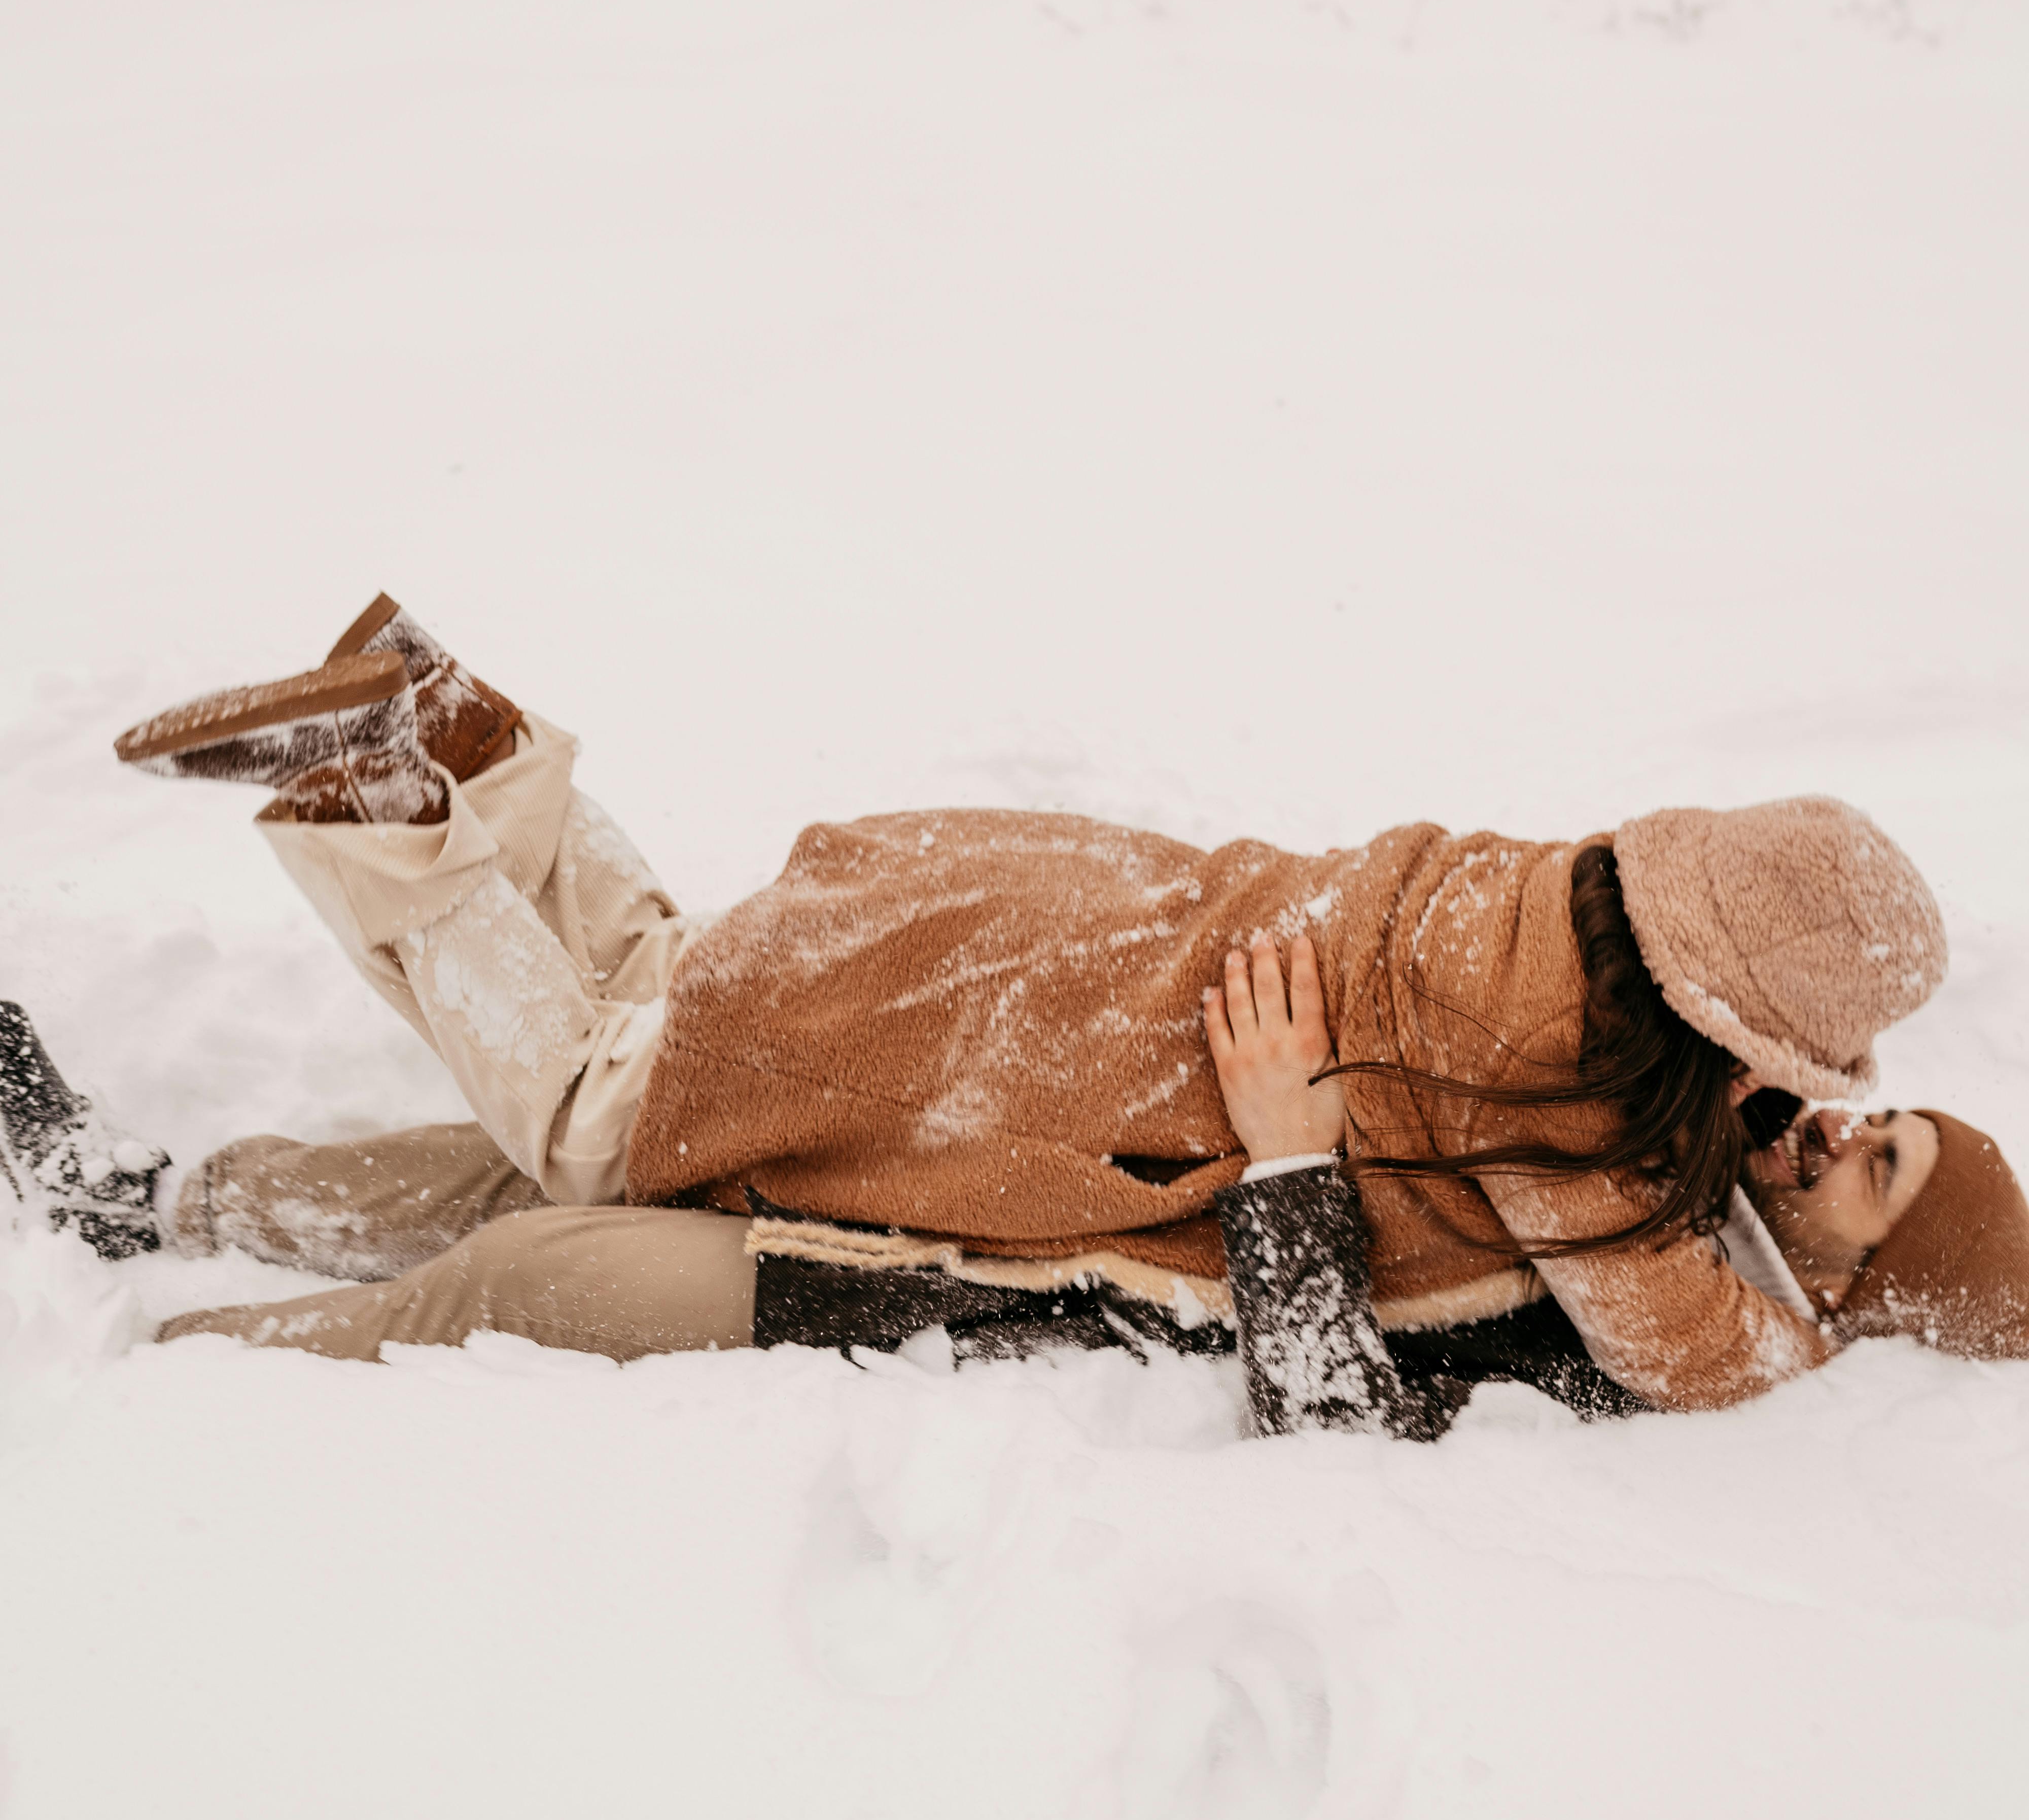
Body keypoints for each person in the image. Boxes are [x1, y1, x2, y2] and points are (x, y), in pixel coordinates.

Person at [6, 597, 2026, 1436]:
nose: (1836, 1129)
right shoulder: (1629, 1124)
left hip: (976, 1151)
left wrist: (1302, 1165)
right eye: (1867, 1109)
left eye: (1873, 1168)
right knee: (608, 1116)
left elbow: (1350, 1415)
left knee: (549, 1165)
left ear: (1861, 1294)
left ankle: (152, 1360)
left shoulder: (1641, 1262)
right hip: (1016, 1114)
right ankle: (397, 792)